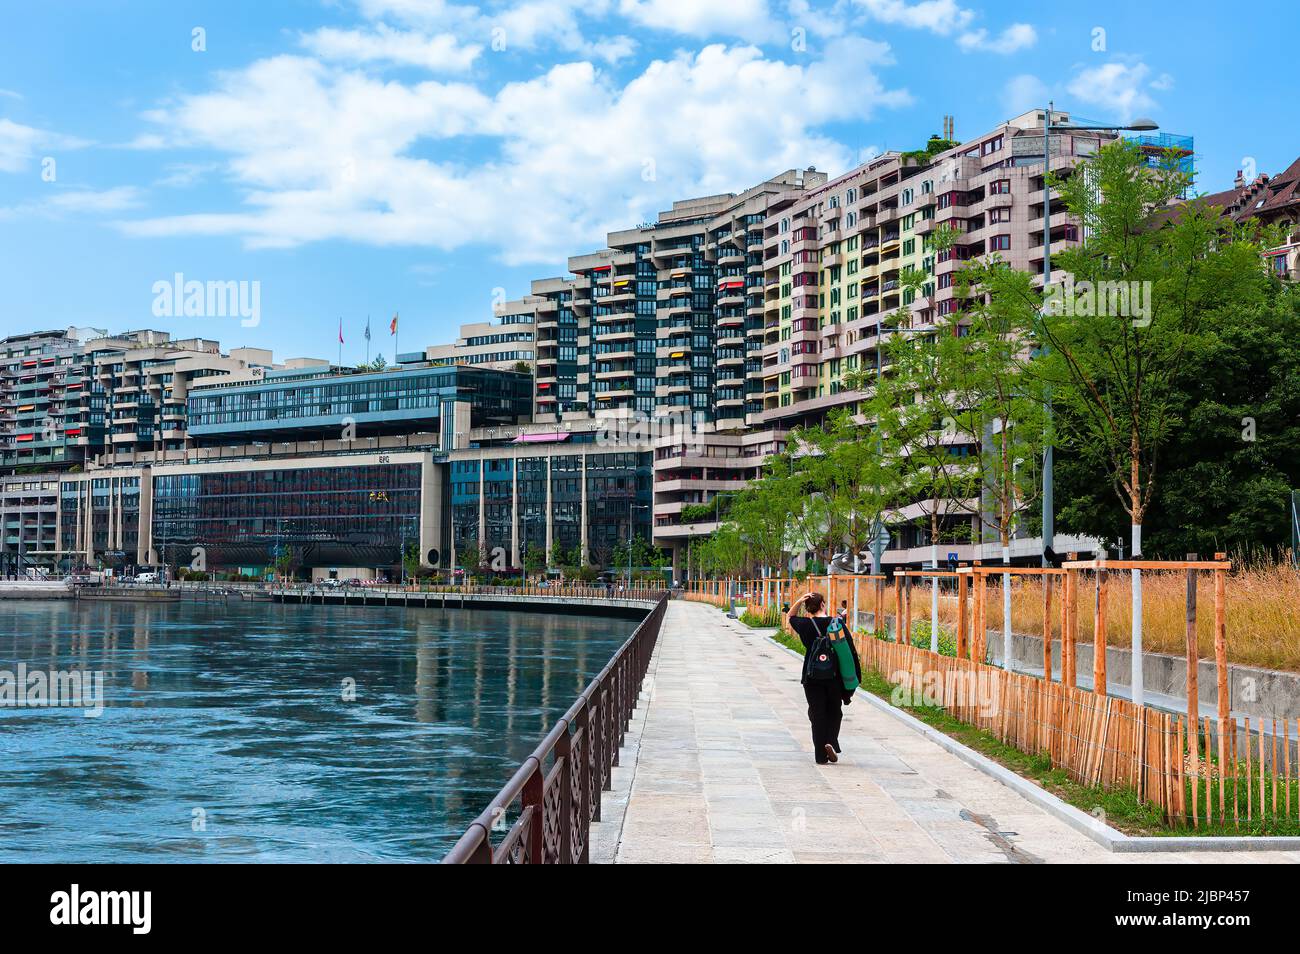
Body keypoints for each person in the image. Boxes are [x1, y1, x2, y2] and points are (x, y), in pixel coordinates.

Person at [787, 591, 861, 765]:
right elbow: (849, 651)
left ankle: (820, 756)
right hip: (834, 677)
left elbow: (790, 616)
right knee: (834, 711)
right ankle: (830, 741)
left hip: (811, 677)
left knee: (817, 713)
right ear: (822, 605)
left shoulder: (804, 624)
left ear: (808, 608)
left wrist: (799, 601)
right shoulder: (836, 624)